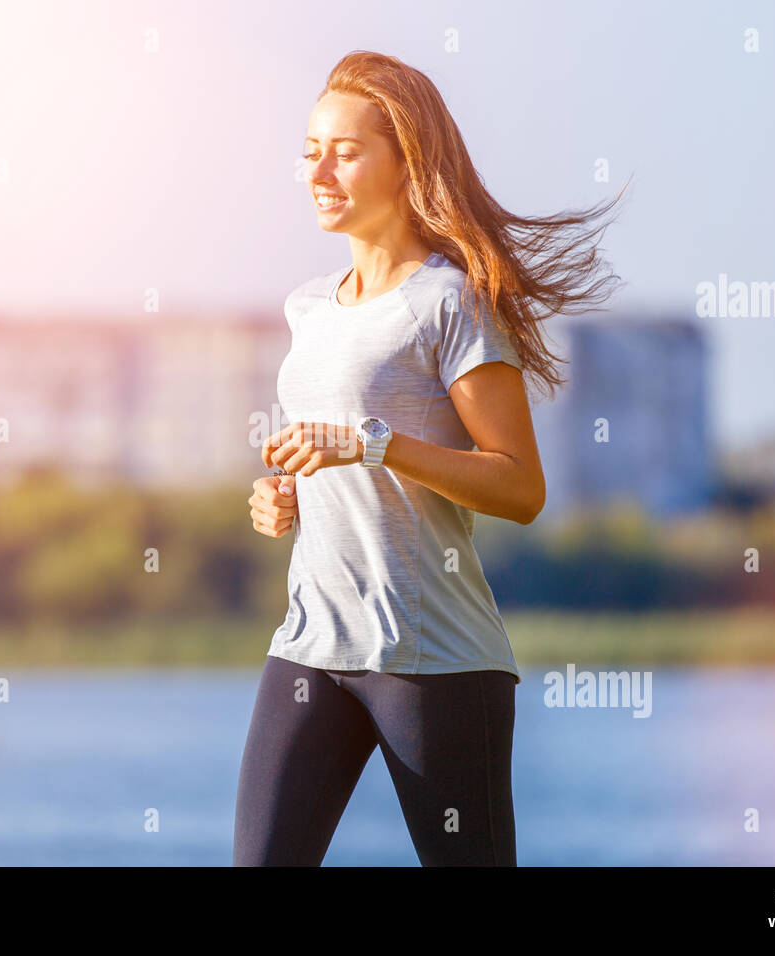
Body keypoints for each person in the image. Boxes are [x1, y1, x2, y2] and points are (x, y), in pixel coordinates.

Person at [237, 51, 628, 866]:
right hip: (311, 642)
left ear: (405, 161)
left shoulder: (450, 302)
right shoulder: (309, 308)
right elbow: (335, 467)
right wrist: (289, 500)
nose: (320, 169)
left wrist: (374, 444)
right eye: (311, 150)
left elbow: (520, 487)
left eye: (345, 150)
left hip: (433, 660)